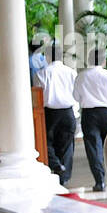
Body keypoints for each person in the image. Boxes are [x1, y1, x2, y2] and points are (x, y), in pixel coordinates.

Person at [74, 48, 107, 193]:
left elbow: (76, 97)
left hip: (89, 115)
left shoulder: (81, 76)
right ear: (103, 61)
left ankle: (99, 182)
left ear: (89, 60)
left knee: (93, 149)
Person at [34, 48, 78, 188]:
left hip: (50, 113)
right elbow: (76, 94)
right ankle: (63, 177)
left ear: (47, 57)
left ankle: (56, 165)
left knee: (47, 142)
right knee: (66, 145)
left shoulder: (41, 73)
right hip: (68, 112)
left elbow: (37, 95)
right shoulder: (71, 72)